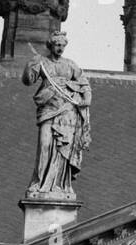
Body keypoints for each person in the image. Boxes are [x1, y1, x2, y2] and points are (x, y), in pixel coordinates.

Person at [22, 32, 91, 198]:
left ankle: (60, 185)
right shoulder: (42, 62)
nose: (60, 48)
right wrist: (31, 65)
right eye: (57, 45)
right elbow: (28, 80)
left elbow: (85, 84)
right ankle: (39, 184)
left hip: (67, 110)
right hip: (49, 110)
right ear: (51, 45)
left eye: (63, 45)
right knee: (45, 145)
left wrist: (86, 100)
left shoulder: (70, 65)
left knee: (63, 149)